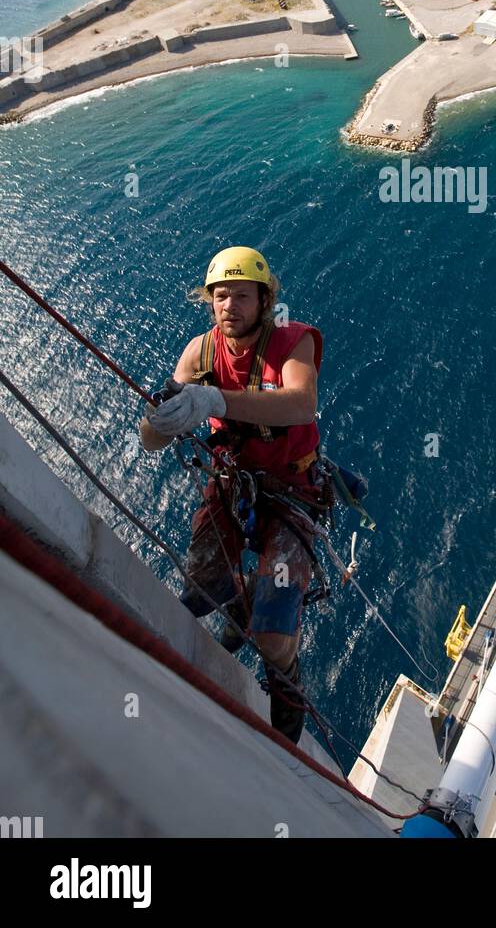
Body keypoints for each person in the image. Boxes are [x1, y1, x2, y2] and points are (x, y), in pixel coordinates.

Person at [140, 245, 325, 744]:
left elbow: (302, 404)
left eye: (242, 296)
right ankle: (238, 604)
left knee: (273, 636)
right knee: (200, 592)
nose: (229, 306)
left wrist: (215, 398)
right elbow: (150, 439)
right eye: (220, 296)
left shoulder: (292, 342)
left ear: (265, 302)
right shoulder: (199, 354)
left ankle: (286, 698)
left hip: (292, 493)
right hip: (231, 484)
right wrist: (162, 421)